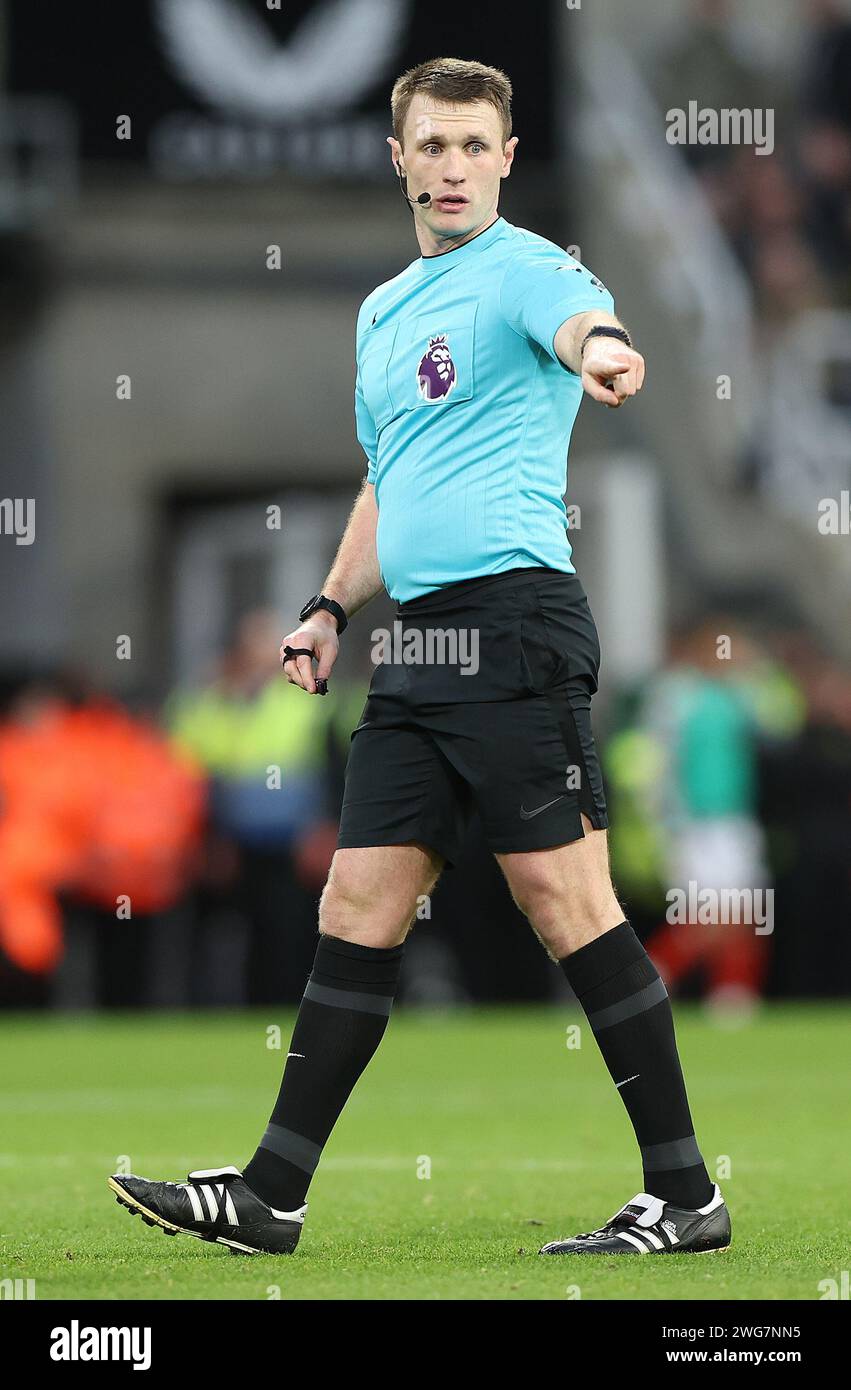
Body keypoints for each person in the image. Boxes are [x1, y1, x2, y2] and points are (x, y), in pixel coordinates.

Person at [109, 58, 730, 1259]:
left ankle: (684, 1192)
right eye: (430, 146)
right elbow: (386, 484)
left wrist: (605, 352)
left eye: (473, 146)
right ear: (397, 157)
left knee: (566, 901)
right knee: (357, 902)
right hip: (416, 642)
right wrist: (329, 606)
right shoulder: (383, 312)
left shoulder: (528, 271)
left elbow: (583, 321)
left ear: (505, 156)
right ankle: (271, 1193)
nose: (451, 168)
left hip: (515, 627)